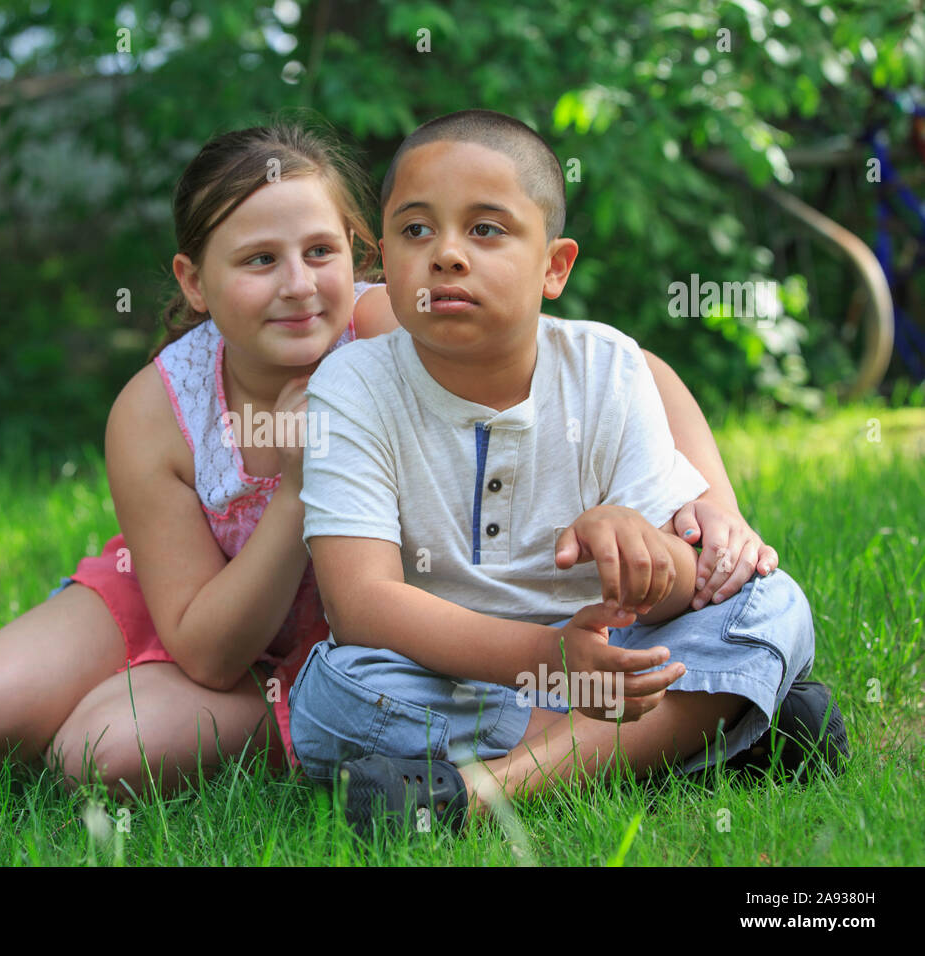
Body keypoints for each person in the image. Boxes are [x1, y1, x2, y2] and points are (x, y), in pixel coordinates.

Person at [0, 117, 784, 808]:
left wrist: (714, 506)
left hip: (339, 635)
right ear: (194, 282)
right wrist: (299, 483)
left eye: (322, 253)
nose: (298, 288)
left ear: (359, 256)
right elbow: (201, 644)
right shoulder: (159, 407)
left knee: (102, 757)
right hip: (194, 603)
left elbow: (628, 365)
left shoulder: (393, 321)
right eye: (256, 261)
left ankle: (398, 737)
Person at [288, 109, 848, 834]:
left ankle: (474, 793)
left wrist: (642, 554)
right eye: (416, 230)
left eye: (486, 229)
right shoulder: (351, 385)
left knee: (770, 607)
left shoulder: (607, 368)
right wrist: (549, 661)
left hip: (611, 652)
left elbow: (681, 591)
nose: (447, 254)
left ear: (555, 267)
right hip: (449, 673)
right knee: (334, 695)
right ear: (384, 257)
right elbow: (361, 605)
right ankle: (696, 733)